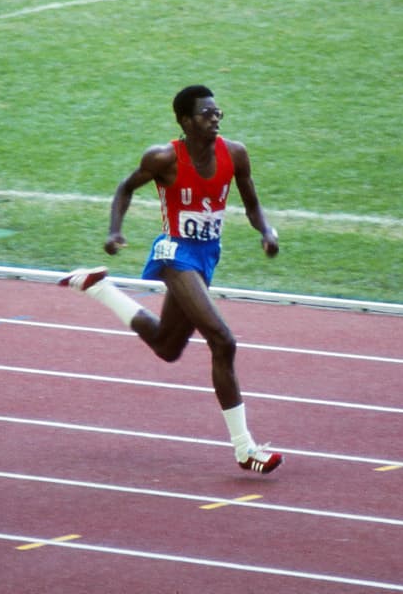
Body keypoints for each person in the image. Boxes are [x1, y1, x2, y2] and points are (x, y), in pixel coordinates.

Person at [60, 84, 282, 473]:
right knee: (222, 340)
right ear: (185, 121)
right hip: (174, 254)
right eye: (206, 114)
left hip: (206, 256)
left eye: (218, 113)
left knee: (167, 346)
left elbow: (251, 203)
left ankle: (100, 288)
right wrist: (115, 231)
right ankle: (245, 448)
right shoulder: (164, 158)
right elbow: (124, 189)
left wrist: (266, 232)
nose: (215, 119)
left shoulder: (236, 154)